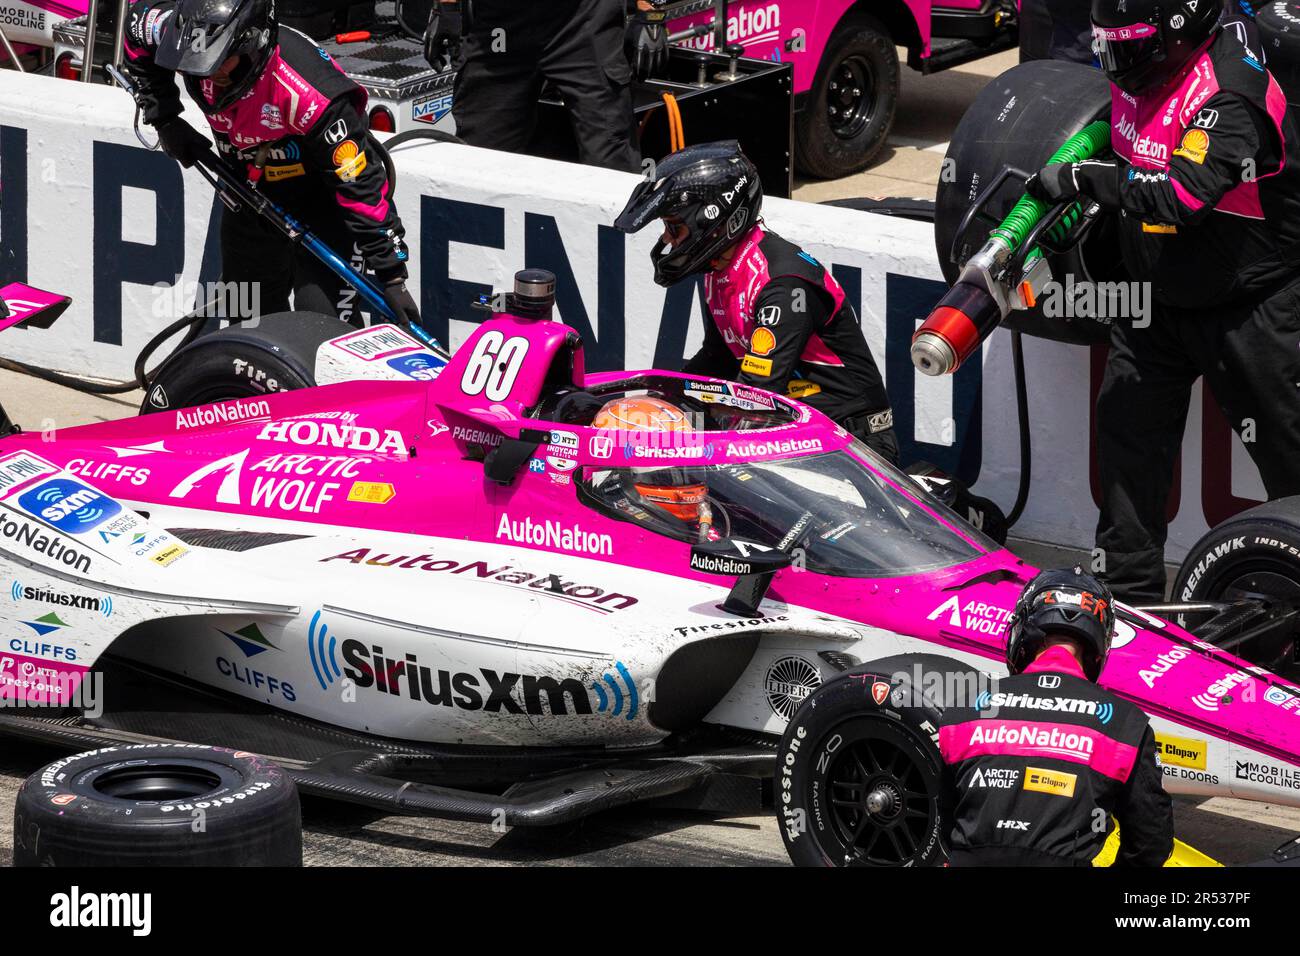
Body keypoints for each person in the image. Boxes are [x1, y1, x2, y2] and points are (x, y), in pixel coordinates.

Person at [1025, 0, 1300, 601]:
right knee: (1127, 450)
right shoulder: (1145, 58)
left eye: (1129, 49)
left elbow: (1179, 196)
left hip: (1251, 304)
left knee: (1290, 465)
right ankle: (1127, 602)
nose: (1114, 63)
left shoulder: (1234, 90)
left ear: (1182, 36)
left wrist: (1079, 180)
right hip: (1154, 294)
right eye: (1107, 47)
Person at [123, 0, 419, 327]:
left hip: (325, 204)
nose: (208, 72)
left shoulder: (310, 94)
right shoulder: (168, 27)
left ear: (254, 45)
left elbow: (359, 183)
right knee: (246, 321)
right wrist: (164, 117)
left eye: (220, 61)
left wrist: (392, 276)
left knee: (323, 329)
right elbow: (135, 31)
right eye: (195, 61)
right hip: (247, 195)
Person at [611, 141, 900, 464]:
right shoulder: (720, 271)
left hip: (854, 445)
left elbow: (756, 394)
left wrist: (678, 424)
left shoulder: (782, 282)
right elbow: (718, 359)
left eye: (674, 227)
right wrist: (662, 400)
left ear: (713, 221)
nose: (667, 240)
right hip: (796, 434)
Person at [938, 568, 1173, 866]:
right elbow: (1151, 841)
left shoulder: (964, 711)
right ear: (1098, 644)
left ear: (1024, 631)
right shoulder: (1126, 725)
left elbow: (947, 824)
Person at [430, 0, 666, 173]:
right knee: (480, 157)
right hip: (497, 25)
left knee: (611, 161)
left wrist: (649, 9)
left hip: (585, 20)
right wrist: (447, 7)